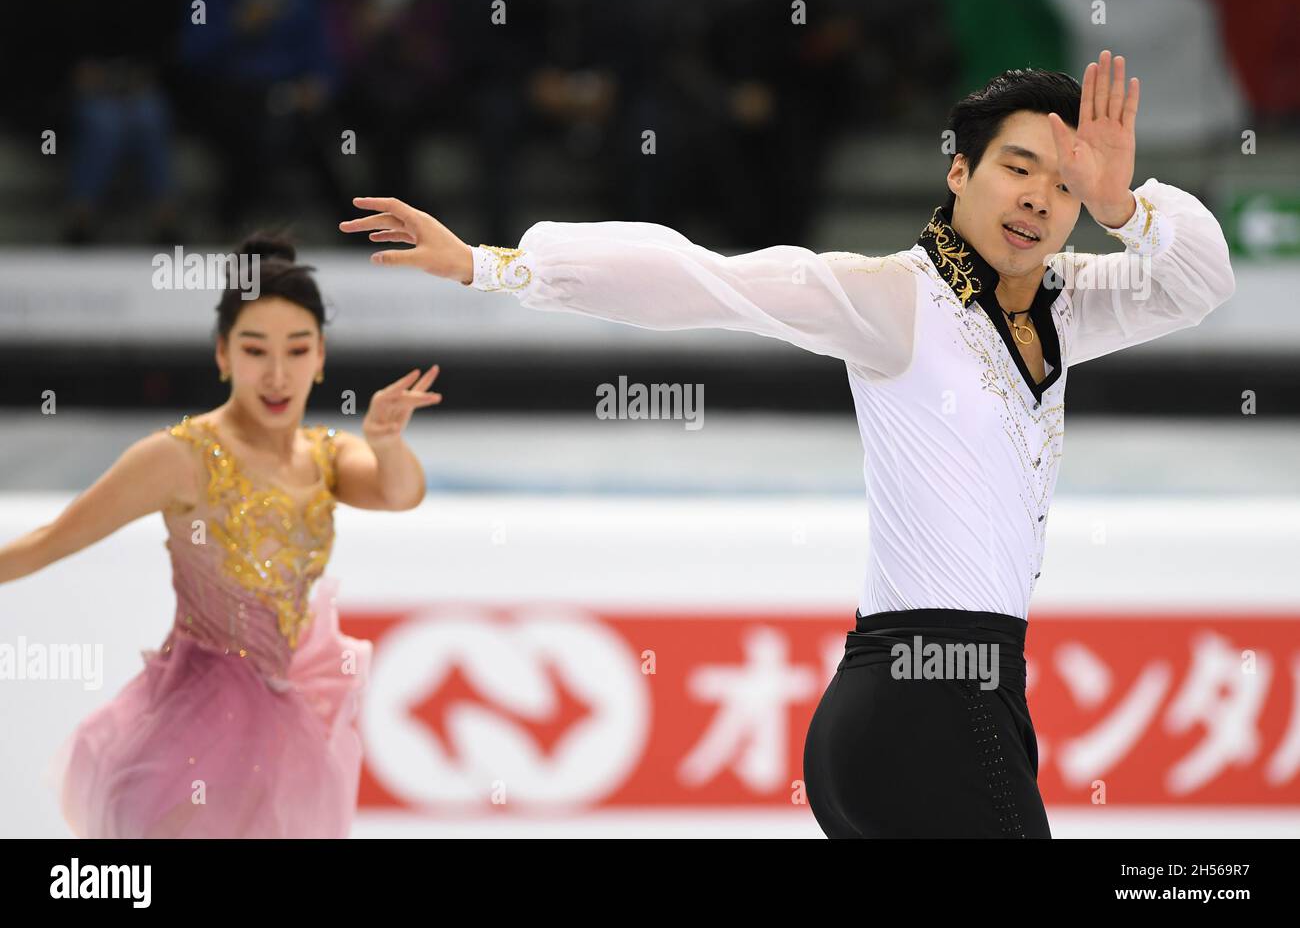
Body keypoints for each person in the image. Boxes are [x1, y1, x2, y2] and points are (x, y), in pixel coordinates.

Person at [338, 51, 1236, 837]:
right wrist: (493, 264)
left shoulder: (1069, 304)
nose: (1042, 199)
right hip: (927, 701)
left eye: (1068, 185)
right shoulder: (895, 301)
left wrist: (1129, 204)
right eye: (1018, 168)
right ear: (959, 173)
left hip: (938, 701)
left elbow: (1201, 281)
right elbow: (705, 280)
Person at [0, 234, 441, 837]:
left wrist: (388, 444)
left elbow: (400, 493)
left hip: (286, 724)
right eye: (255, 350)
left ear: (321, 357)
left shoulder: (327, 455)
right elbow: (48, 540)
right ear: (223, 355)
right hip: (191, 732)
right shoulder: (181, 458)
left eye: (297, 349)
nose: (277, 374)